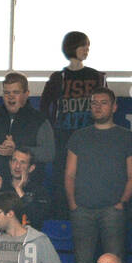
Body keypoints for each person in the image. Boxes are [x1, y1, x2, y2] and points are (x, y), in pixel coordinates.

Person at [63, 87, 132, 263]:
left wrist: (121, 203)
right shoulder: (79, 137)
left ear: (114, 107)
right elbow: (69, 174)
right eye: (94, 103)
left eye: (103, 103)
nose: (98, 107)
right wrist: (73, 204)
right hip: (82, 210)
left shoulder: (126, 137)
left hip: (112, 211)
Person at [41, 30, 106, 215]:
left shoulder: (96, 76)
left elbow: (106, 105)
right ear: (72, 47)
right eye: (83, 45)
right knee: (62, 180)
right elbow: (45, 107)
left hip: (90, 139)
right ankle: (62, 216)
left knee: (88, 179)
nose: (86, 49)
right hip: (63, 139)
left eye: (88, 46)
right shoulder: (58, 78)